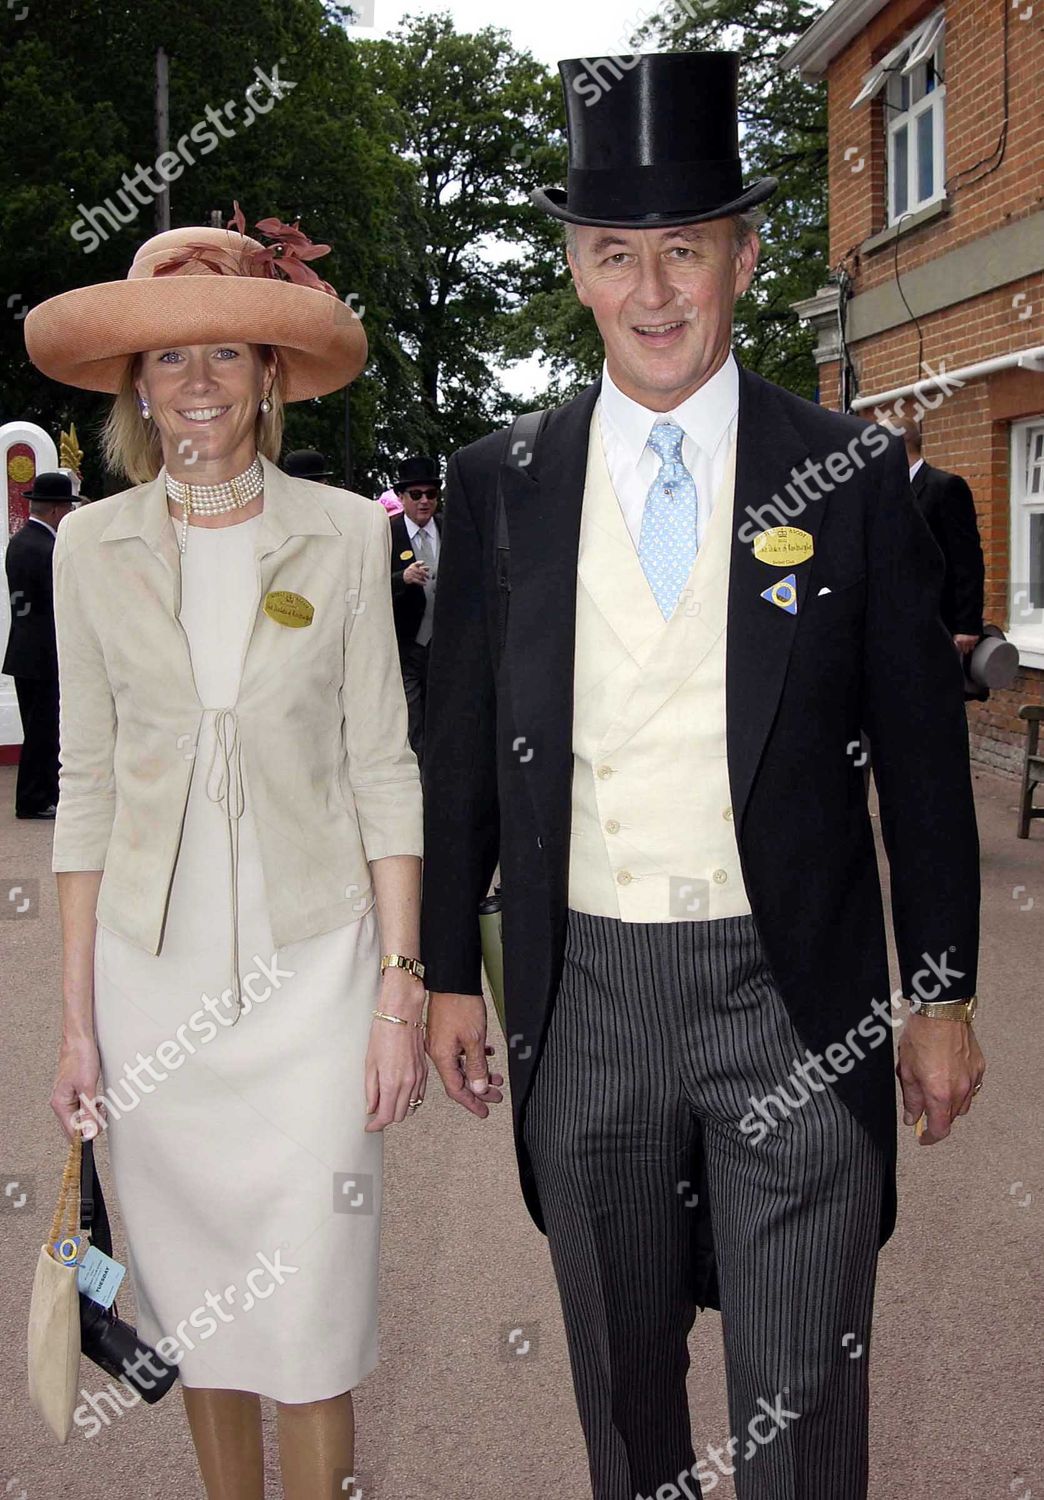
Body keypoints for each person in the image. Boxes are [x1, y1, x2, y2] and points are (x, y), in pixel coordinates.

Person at [421, 52, 984, 1500]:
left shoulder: (854, 476)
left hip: (792, 997)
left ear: (744, 255)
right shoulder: (502, 482)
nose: (656, 290)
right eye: (619, 254)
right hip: (585, 990)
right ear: (577, 270)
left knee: (801, 1411)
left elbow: (923, 767)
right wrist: (437, 976)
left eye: (687, 249)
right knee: (623, 1398)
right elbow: (461, 745)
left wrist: (942, 993)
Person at [24, 209, 425, 1500]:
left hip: (318, 982)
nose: (198, 384)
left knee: (310, 1317)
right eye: (171, 360)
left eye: (226, 357)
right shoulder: (88, 550)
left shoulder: (349, 538)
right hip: (157, 997)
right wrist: (78, 1024)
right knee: (207, 1320)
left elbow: (383, 770)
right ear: (138, 385)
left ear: (269, 376)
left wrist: (401, 983)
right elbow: (81, 792)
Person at [2, 471, 75, 818]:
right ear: (58, 510)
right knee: (43, 731)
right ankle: (34, 798)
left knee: (38, 727)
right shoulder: (48, 548)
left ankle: (42, 793)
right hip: (44, 652)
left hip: (24, 649)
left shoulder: (20, 542)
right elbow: (60, 600)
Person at [900, 416, 986, 653]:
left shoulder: (945, 487)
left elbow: (966, 559)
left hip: (939, 621)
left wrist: (967, 624)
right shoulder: (888, 491)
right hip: (901, 622)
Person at [388, 457, 442, 765]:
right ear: (401, 497)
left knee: (442, 718)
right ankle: (415, 785)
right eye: (416, 494)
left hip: (443, 646)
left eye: (430, 494)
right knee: (410, 723)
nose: (424, 501)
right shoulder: (386, 532)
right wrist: (402, 579)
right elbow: (369, 583)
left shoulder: (451, 528)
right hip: (405, 646)